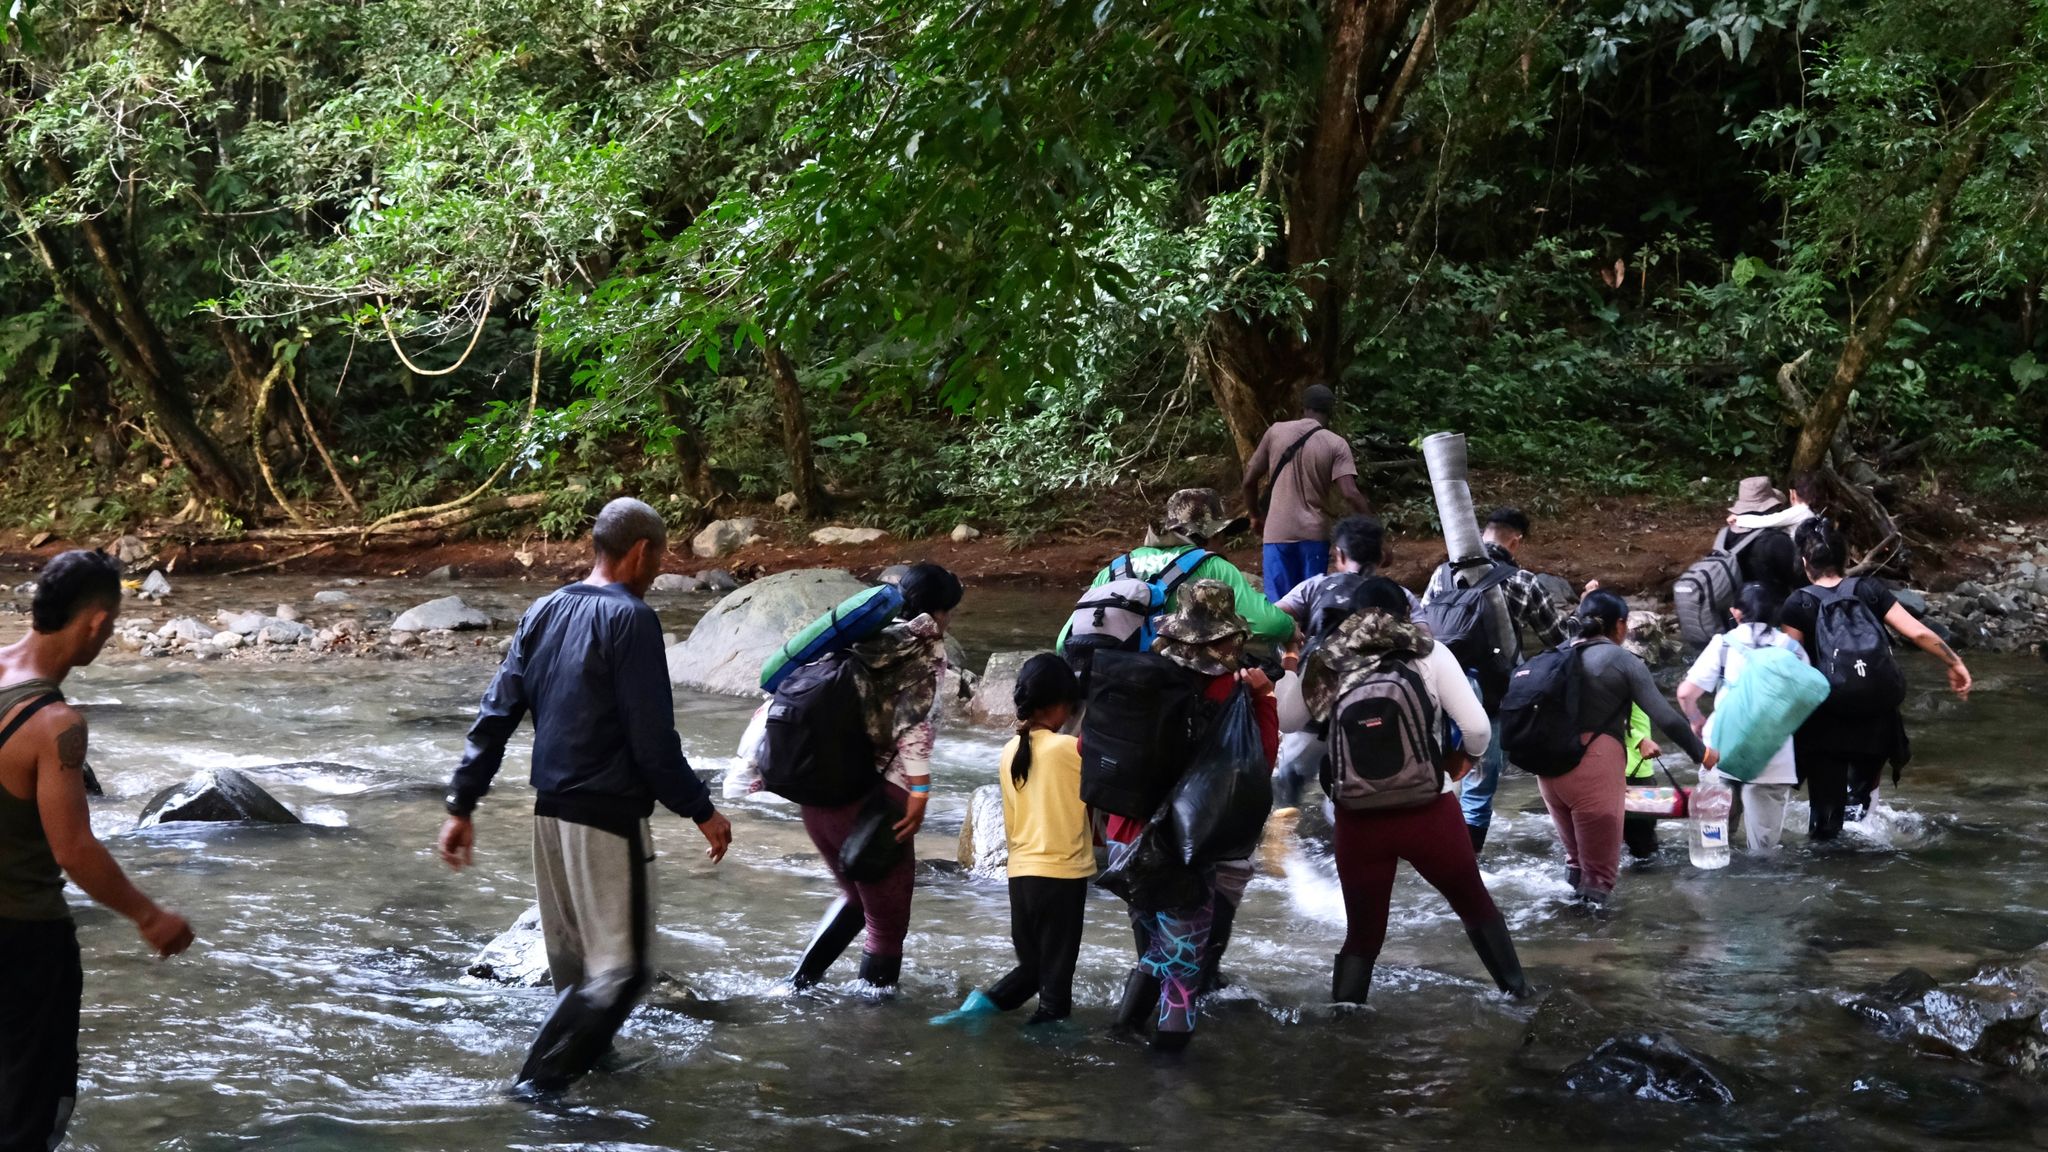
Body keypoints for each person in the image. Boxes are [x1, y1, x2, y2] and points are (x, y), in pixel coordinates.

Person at [436, 499, 734, 1094]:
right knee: (622, 973)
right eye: (661, 556)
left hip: (550, 816)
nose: (658, 568)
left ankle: (596, 1069)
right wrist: (701, 808)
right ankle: (536, 1089)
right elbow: (651, 739)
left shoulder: (545, 609)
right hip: (607, 817)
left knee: (577, 972)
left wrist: (461, 806)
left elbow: (496, 715)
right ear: (642, 552)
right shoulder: (633, 619)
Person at [0, 550, 195, 1150]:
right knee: (27, 1113)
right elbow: (75, 850)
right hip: (25, 943)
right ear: (96, 623)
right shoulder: (54, 723)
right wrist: (150, 915)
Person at [1288, 578, 1529, 1004]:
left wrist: (1291, 665)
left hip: (1357, 819)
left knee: (1362, 935)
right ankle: (1518, 996)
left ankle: (1345, 1024)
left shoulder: (1329, 658)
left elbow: (1289, 719)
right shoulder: (1429, 653)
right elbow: (1476, 729)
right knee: (1474, 905)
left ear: (1351, 617)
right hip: (1427, 811)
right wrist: (1462, 763)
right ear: (1404, 614)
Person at [1107, 580, 1278, 1051]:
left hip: (1124, 834)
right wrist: (1264, 700)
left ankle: (1122, 1033)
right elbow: (1256, 765)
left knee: (1155, 947)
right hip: (1181, 843)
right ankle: (1170, 1077)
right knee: (1183, 967)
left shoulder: (1138, 675)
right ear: (1220, 639)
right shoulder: (1228, 689)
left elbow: (1090, 748)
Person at [784, 562, 962, 994]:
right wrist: (919, 792)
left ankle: (796, 987)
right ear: (939, 611)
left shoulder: (857, 639)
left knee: (854, 898)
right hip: (873, 805)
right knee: (886, 927)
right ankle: (873, 1034)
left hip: (818, 796)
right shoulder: (923, 647)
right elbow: (915, 722)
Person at [1778, 518, 1971, 842]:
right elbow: (1919, 632)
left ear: (1805, 563)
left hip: (1826, 722)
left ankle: (1832, 877)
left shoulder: (1799, 603)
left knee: (1826, 823)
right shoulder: (1869, 589)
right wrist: (1956, 662)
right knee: (1862, 813)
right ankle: (1867, 872)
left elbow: (1790, 667)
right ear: (1846, 558)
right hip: (1876, 716)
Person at [931, 655, 1091, 1027]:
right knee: (1054, 996)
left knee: (1034, 968)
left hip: (1021, 878)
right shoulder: (1068, 750)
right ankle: (1040, 1071)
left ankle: (971, 1013)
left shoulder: (1010, 751)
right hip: (1061, 877)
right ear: (1058, 704)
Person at [1540, 590, 1709, 904]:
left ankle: (1564, 941)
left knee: (1576, 861)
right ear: (1620, 625)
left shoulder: (1555, 655)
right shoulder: (1621, 660)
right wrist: (1703, 754)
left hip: (1548, 773)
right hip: (1596, 772)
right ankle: (1597, 946)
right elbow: (1668, 720)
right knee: (1600, 876)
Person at [1425, 506, 1575, 854]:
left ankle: (1437, 852)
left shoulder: (1441, 575)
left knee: (1441, 774)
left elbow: (1424, 629)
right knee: (1479, 782)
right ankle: (1467, 863)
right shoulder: (1522, 581)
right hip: (1491, 693)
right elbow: (1558, 640)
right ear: (1516, 541)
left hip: (1440, 686)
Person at [1058, 488, 1297, 654]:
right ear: (1211, 533)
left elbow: (1063, 643)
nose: (1223, 544)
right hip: (1170, 692)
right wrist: (1290, 628)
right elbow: (1268, 625)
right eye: (1223, 535)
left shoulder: (1116, 567)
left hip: (1108, 690)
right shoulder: (1212, 565)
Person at [1676, 583, 1806, 853]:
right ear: (1774, 613)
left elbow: (1685, 694)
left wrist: (1696, 719)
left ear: (1735, 612)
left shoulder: (1722, 645)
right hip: (1772, 753)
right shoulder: (1791, 649)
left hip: (1721, 748)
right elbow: (1807, 697)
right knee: (1764, 851)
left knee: (1713, 843)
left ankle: (1714, 885)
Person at [1240, 384, 1372, 601]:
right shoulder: (1336, 444)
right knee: (1312, 602)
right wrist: (1374, 530)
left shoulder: (1275, 432)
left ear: (1303, 407)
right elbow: (1350, 493)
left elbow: (1248, 482)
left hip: (1277, 533)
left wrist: (1255, 516)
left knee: (1280, 607)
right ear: (1331, 410)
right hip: (1314, 535)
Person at [1721, 476, 1807, 595]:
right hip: (1773, 606)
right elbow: (1798, 580)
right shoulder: (1777, 541)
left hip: (1739, 603)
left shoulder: (1725, 534)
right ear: (1772, 506)